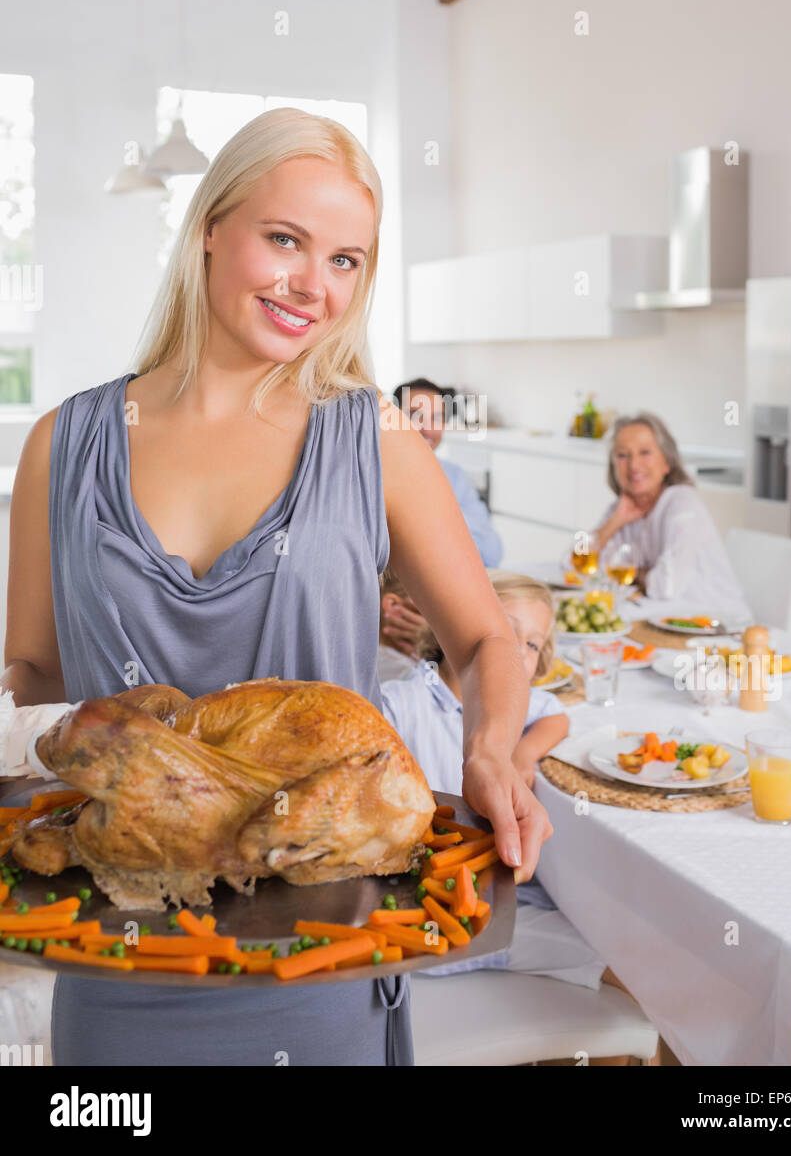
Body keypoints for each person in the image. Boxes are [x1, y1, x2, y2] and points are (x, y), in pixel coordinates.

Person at [0, 106, 551, 1067]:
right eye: (285, 239)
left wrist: (492, 744)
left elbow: (482, 640)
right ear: (211, 227)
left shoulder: (370, 437)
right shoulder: (63, 446)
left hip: (324, 953)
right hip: (122, 954)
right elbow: (34, 669)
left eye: (347, 260)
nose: (315, 286)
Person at [380, 572, 608, 990]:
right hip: (439, 914)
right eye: (506, 632)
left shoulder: (519, 705)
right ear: (454, 628)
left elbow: (556, 715)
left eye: (533, 644)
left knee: (611, 929)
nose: (518, 652)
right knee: (612, 957)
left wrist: (521, 753)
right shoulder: (401, 704)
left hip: (508, 892)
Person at [593, 413, 751, 619]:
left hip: (718, 625)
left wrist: (631, 573)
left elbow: (666, 586)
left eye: (645, 453)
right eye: (622, 455)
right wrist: (614, 522)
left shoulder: (682, 503)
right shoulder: (623, 508)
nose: (634, 465)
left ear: (666, 462)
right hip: (663, 621)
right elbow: (572, 566)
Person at [392, 378, 503, 567]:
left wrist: (438, 513)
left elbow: (491, 553)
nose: (427, 429)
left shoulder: (455, 477)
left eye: (436, 418)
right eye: (415, 416)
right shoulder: (370, 475)